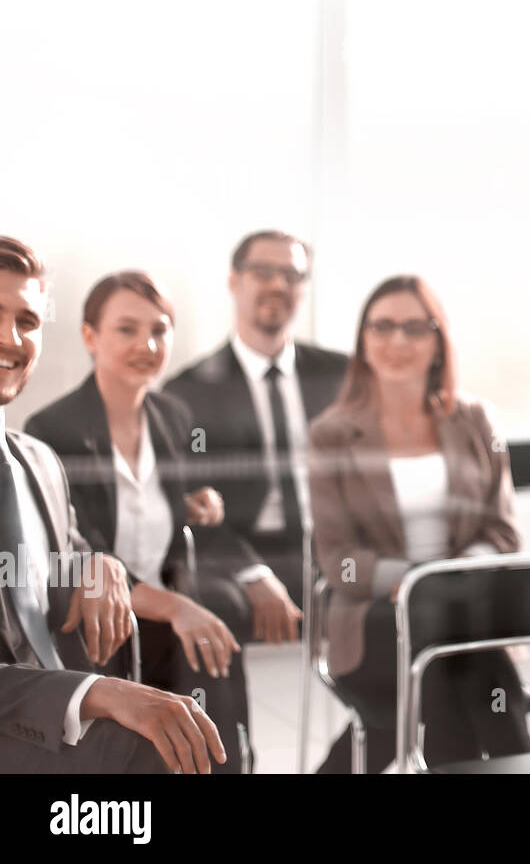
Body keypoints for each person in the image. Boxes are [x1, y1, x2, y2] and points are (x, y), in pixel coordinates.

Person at [0, 236, 225, 773]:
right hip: (24, 719)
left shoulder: (38, 461)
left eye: (27, 321)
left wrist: (98, 565)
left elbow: (73, 556)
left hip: (59, 699)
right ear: (91, 337)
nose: (10, 338)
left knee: (192, 726)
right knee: (159, 751)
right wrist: (96, 694)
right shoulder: (61, 427)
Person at [310, 275, 530, 772]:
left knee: (444, 652)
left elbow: (503, 533)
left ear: (437, 341)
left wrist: (454, 577)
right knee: (444, 641)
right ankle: (520, 761)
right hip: (373, 621)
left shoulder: (476, 420)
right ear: (363, 341)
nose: (397, 341)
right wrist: (417, 582)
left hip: (466, 611)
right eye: (382, 327)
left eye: (414, 328)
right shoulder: (332, 435)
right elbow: (337, 559)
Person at [165, 230, 348, 637]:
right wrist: (249, 570)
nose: (279, 285)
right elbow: (189, 500)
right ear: (234, 281)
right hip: (240, 549)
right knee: (214, 603)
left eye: (292, 275)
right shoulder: (188, 391)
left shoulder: (341, 376)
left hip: (334, 547)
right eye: (263, 272)